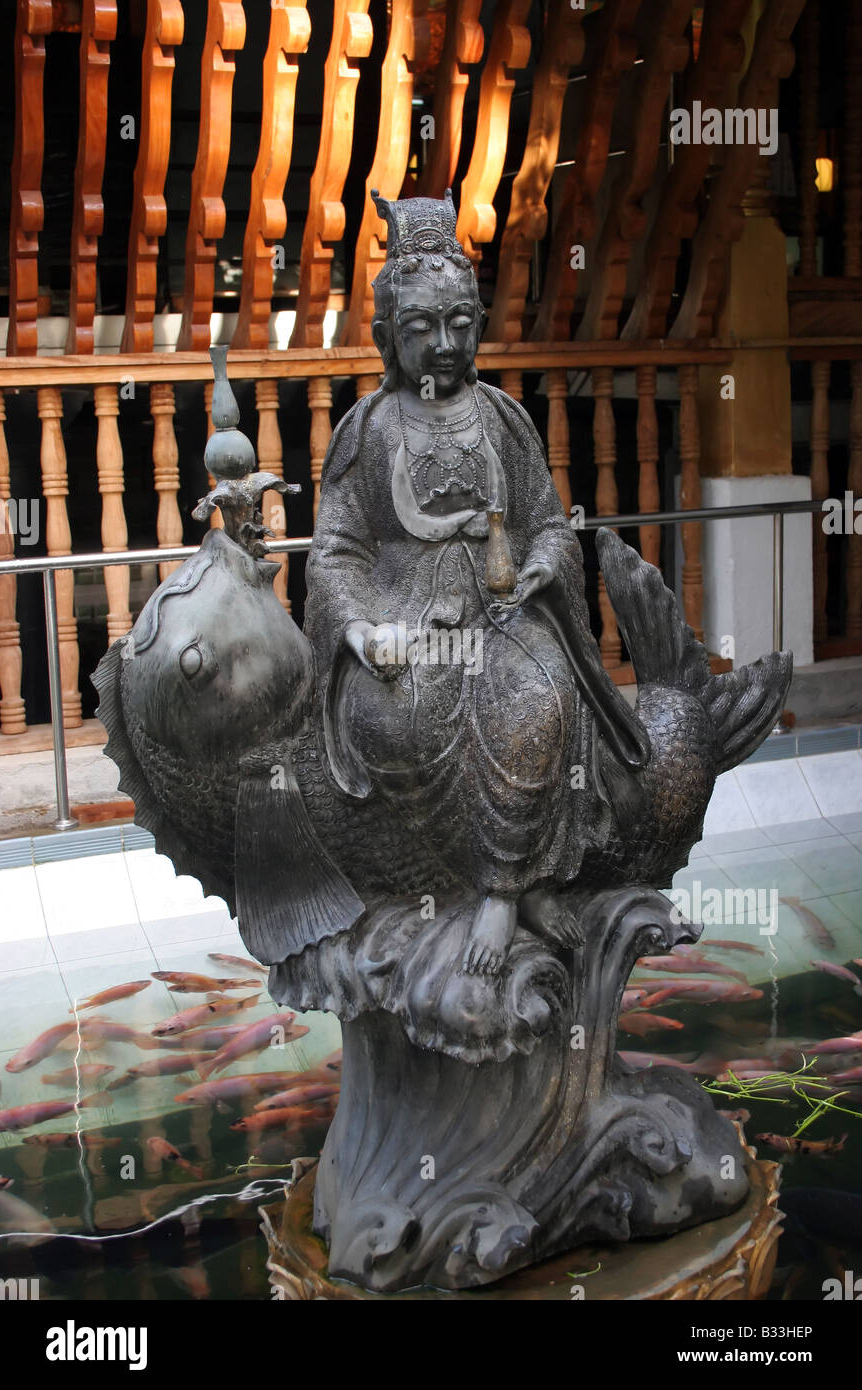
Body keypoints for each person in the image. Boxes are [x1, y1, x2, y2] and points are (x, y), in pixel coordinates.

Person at [304, 191, 648, 977]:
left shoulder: (504, 420)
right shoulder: (370, 427)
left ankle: (505, 888)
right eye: (422, 328)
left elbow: (551, 524)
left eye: (460, 323)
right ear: (387, 335)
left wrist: (539, 568)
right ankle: (436, 888)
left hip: (500, 613)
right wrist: (359, 630)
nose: (445, 343)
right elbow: (336, 552)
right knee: (389, 717)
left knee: (537, 700)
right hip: (404, 620)